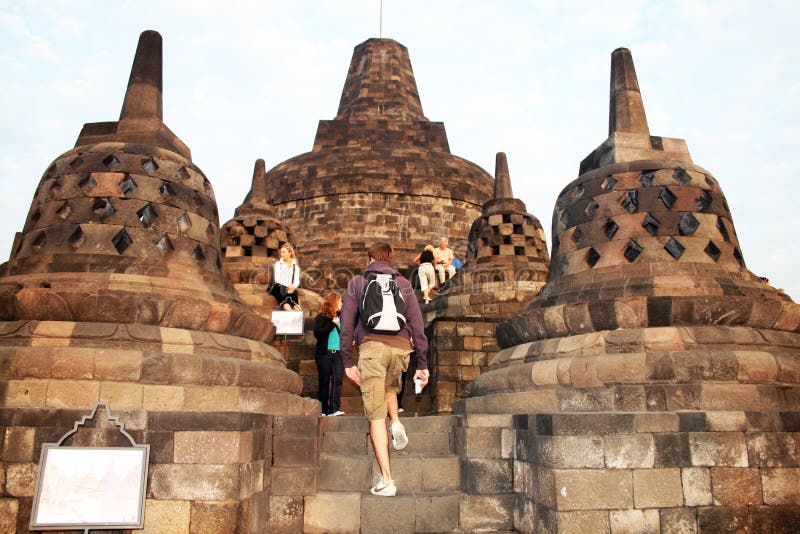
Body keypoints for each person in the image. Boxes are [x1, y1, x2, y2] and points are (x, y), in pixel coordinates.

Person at [341, 242, 430, 497]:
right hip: (401, 349)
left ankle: (387, 480)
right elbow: (418, 324)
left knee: (375, 415)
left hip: (372, 349)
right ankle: (397, 423)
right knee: (391, 387)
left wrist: (347, 361)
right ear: (391, 260)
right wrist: (421, 364)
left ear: (370, 259)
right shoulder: (402, 282)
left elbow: (346, 324)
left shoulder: (358, 282)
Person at [313, 293, 344, 416]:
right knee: (324, 382)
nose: (342, 303)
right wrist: (333, 324)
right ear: (334, 302)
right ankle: (324, 410)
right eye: (340, 301)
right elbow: (318, 333)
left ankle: (335, 409)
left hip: (338, 354)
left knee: (338, 381)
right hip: (324, 354)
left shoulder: (342, 317)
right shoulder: (321, 317)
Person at [269, 243, 301, 310]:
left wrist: (293, 287)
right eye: (281, 252)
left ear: (290, 253)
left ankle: (298, 313)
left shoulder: (295, 267)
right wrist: (288, 286)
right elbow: (277, 279)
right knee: (285, 301)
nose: (281, 254)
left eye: (284, 252)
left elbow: (296, 280)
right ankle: (290, 312)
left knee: (295, 302)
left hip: (291, 287)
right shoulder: (278, 264)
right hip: (279, 286)